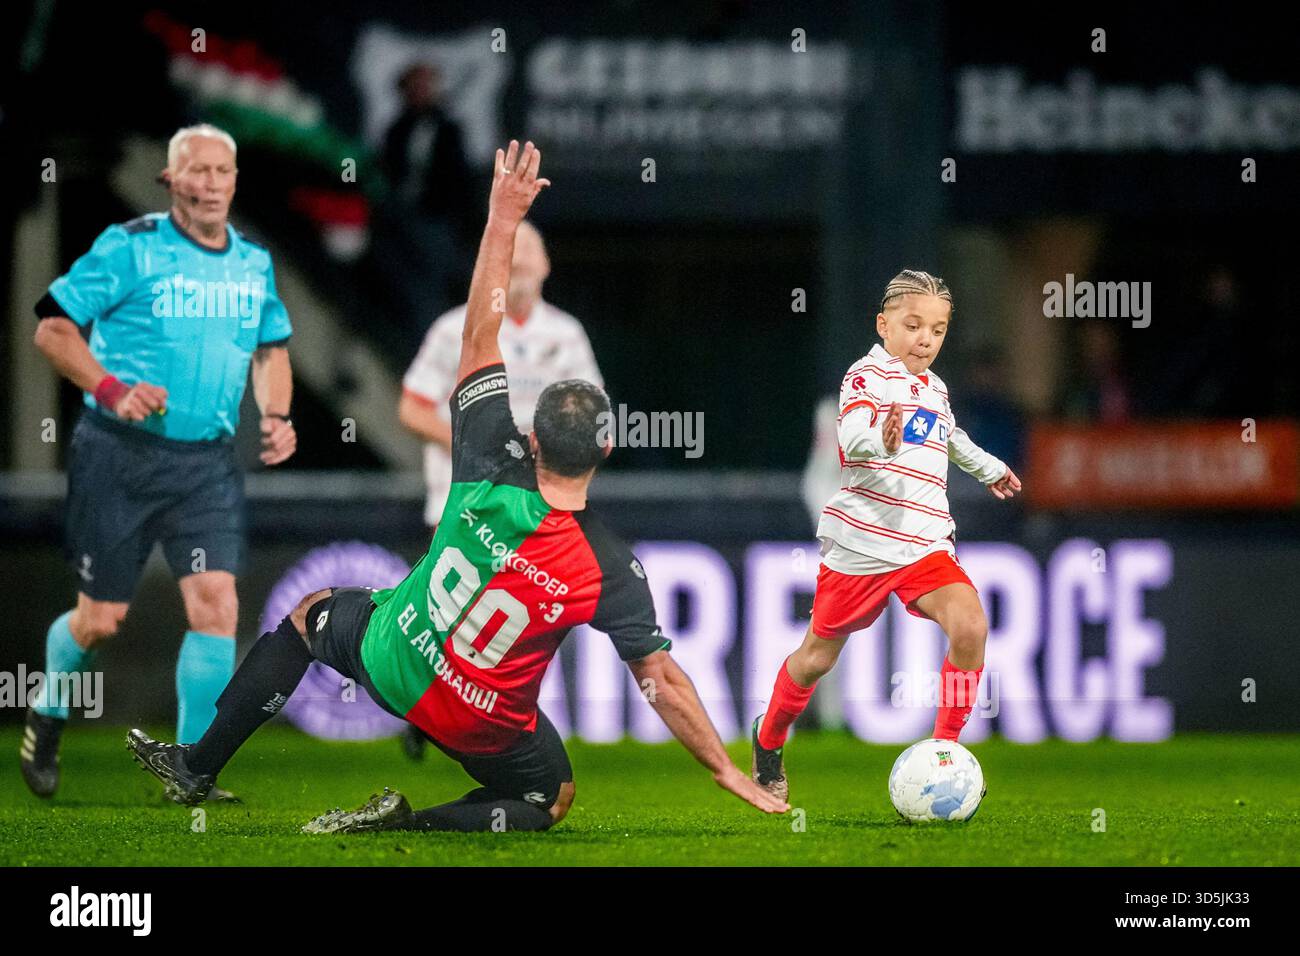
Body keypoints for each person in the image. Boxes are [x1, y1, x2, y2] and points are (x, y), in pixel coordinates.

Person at [128, 140, 788, 832]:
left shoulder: (484, 463)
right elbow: (662, 683)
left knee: (311, 615)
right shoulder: (611, 569)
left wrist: (502, 218)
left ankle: (198, 766)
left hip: (395, 657)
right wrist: (723, 768)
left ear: (532, 439)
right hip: (479, 724)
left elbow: (480, 334)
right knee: (551, 797)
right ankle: (404, 824)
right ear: (608, 446)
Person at [23, 124, 297, 801]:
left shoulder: (253, 263)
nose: (209, 183)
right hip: (118, 457)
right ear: (169, 180)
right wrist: (110, 388)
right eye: (195, 171)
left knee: (216, 604)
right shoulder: (129, 248)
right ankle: (48, 710)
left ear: (235, 181)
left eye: (221, 171)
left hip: (204, 465)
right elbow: (51, 329)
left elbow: (271, 348)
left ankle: (192, 772)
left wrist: (279, 414)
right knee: (101, 620)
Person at [751, 270, 1021, 802]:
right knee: (815, 659)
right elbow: (851, 440)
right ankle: (768, 739)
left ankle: (945, 753)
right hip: (863, 546)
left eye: (938, 330)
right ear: (884, 324)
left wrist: (988, 467)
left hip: (924, 544)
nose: (926, 339)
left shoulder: (935, 388)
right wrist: (881, 437)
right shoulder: (866, 376)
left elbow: (949, 436)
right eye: (914, 324)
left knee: (970, 626)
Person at [396, 219, 601, 761]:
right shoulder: (455, 330)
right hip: (462, 498)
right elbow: (411, 407)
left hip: (535, 508)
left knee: (516, 615)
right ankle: (423, 703)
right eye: (511, 254)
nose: (520, 263)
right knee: (447, 613)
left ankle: (495, 717)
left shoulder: (566, 335)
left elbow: (596, 423)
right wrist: (476, 449)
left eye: (530, 252)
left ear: (547, 265)